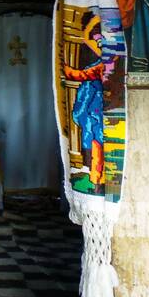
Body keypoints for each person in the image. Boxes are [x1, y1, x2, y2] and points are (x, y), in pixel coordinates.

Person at [63, 12, 111, 187]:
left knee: (96, 140)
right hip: (91, 105)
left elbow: (81, 75)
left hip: (96, 107)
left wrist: (65, 69)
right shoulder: (101, 60)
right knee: (94, 140)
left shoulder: (104, 64)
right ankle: (96, 177)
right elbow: (87, 39)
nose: (98, 41)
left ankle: (97, 178)